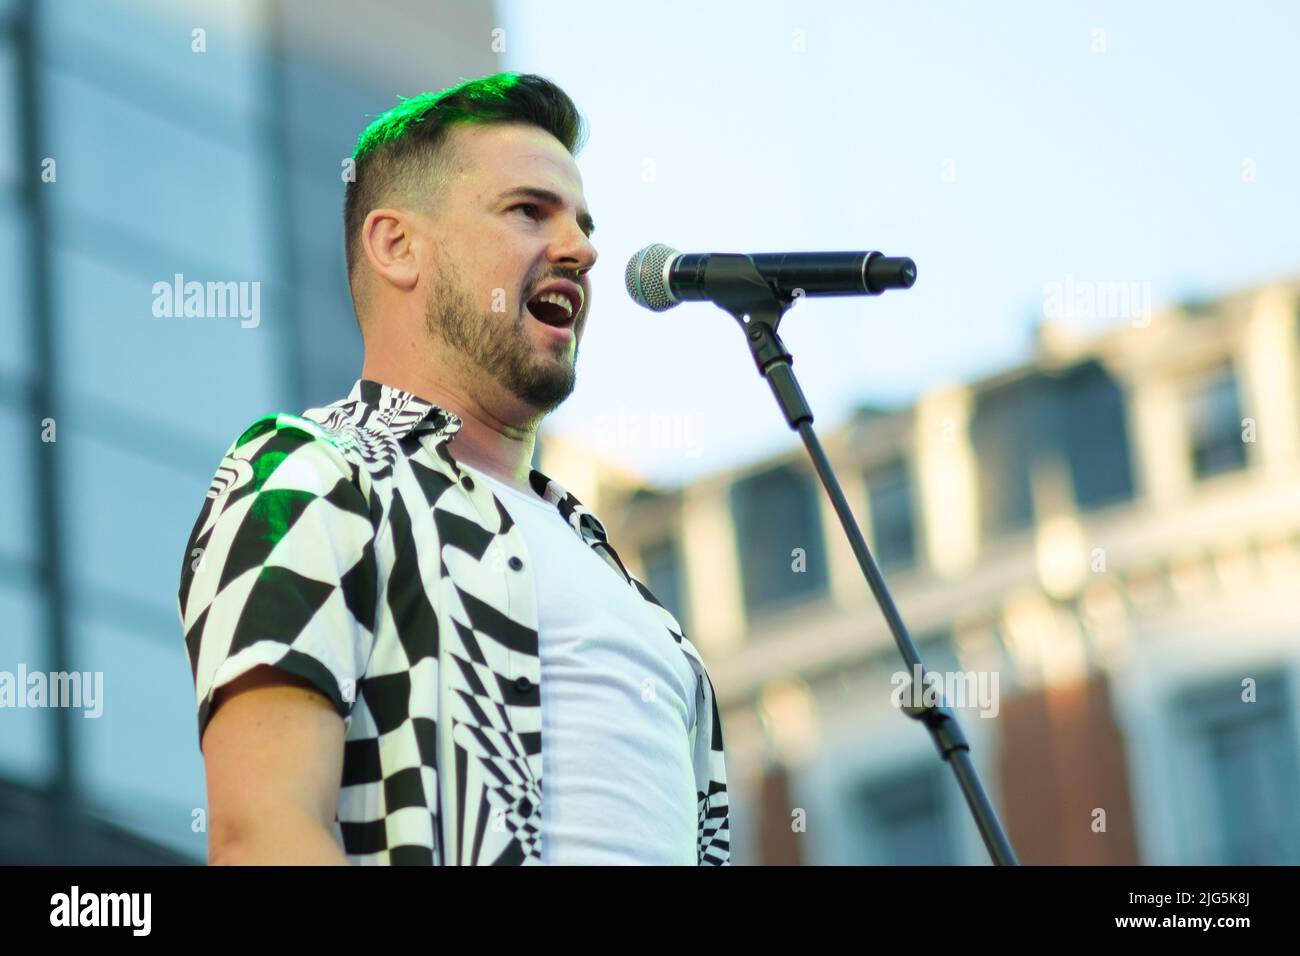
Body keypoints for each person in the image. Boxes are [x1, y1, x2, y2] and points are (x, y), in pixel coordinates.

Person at [176, 72, 730, 865]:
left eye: (581, 222)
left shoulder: (626, 589)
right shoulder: (311, 473)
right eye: (529, 211)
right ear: (398, 246)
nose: (581, 249)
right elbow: (262, 833)